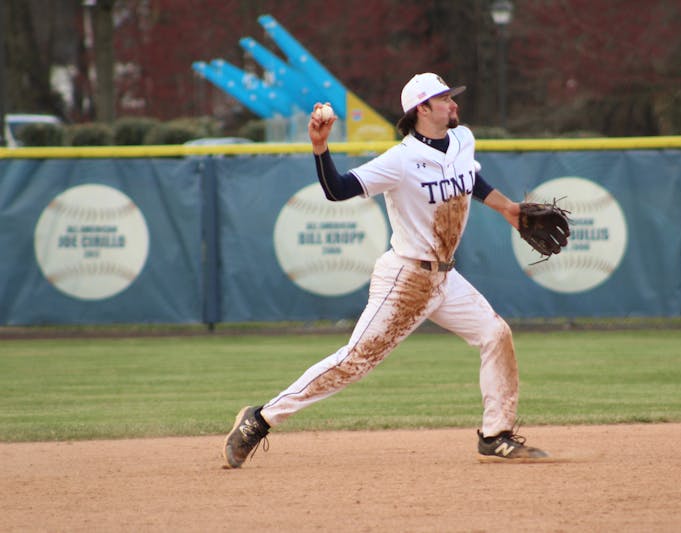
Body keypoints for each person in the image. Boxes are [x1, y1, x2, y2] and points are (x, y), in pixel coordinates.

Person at [223, 72, 548, 468]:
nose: (453, 104)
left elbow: (470, 179)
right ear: (422, 109)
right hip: (406, 279)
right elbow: (337, 189)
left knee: (495, 334)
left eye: (451, 97)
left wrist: (510, 209)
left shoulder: (463, 139)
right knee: (354, 361)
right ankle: (258, 420)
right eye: (444, 99)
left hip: (445, 278)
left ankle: (495, 436)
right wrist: (320, 147)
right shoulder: (401, 159)